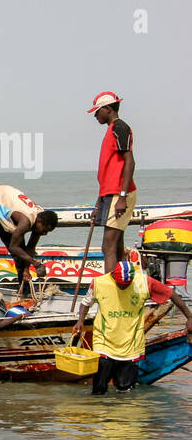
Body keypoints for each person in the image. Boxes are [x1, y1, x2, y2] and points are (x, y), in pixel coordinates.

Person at [73, 259, 192, 395]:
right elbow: (85, 302)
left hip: (131, 345)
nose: (124, 287)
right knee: (99, 390)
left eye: (127, 284)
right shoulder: (99, 283)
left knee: (125, 390)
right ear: (113, 277)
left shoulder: (144, 282)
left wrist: (189, 317)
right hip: (104, 343)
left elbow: (171, 294)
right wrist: (80, 321)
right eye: (121, 284)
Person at [0, 184, 59, 286]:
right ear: (39, 221)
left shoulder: (40, 219)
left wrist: (27, 269)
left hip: (7, 210)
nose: (45, 233)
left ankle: (24, 291)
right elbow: (13, 247)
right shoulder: (26, 222)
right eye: (45, 230)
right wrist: (36, 264)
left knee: (21, 256)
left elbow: (30, 249)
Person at [88, 92, 136, 273]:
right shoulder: (111, 130)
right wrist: (98, 204)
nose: (95, 115)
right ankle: (122, 282)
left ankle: (111, 291)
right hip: (109, 193)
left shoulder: (120, 128)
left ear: (108, 109)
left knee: (108, 246)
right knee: (115, 247)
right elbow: (108, 173)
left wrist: (122, 196)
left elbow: (130, 162)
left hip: (119, 193)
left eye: (97, 111)